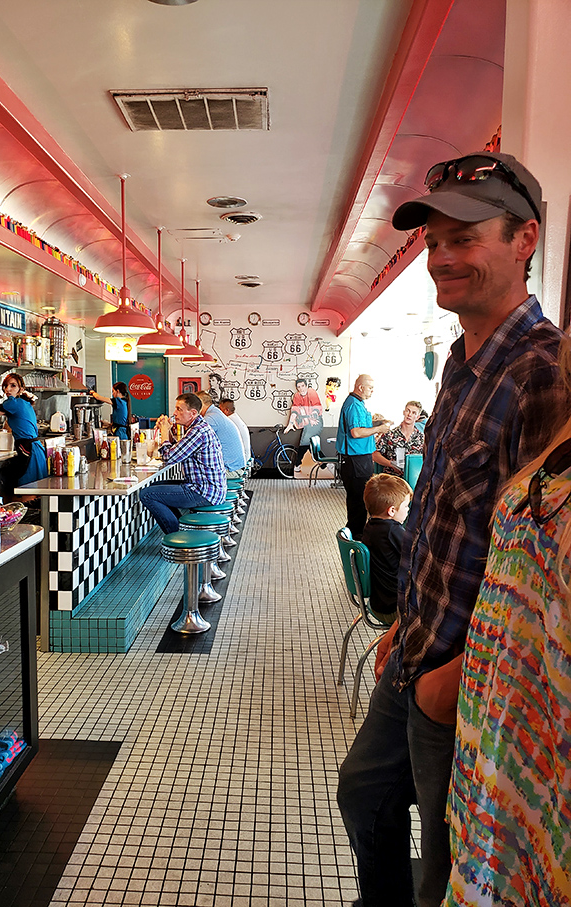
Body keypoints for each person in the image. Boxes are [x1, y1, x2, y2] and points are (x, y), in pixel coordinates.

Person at [336, 151, 570, 907]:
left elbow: (542, 568)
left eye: (465, 237)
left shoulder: (546, 375)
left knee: (450, 866)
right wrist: (403, 621)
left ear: (525, 237)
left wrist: (456, 674)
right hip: (414, 650)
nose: (441, 257)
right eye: (435, 240)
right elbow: (440, 517)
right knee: (362, 792)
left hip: (466, 684)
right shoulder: (461, 368)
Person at [444, 344, 571, 907]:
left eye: (463, 244)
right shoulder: (559, 421)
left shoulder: (532, 373)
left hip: (539, 751)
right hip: (493, 729)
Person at [139, 393, 226, 534]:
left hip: (204, 491)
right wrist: (168, 434)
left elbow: (169, 458)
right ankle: (180, 529)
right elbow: (178, 449)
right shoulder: (197, 427)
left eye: (179, 409)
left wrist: (165, 431)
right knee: (155, 487)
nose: (174, 413)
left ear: (192, 413)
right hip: (206, 487)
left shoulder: (198, 431)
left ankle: (176, 535)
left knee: (147, 494)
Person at [0, 372, 48, 501]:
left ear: (21, 389)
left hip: (27, 451)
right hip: (37, 450)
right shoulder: (25, 403)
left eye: (13, 386)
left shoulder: (11, 403)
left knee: (27, 495)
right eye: (6, 386)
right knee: (36, 495)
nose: (8, 389)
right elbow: (14, 425)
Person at [336, 375, 391, 540]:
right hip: (355, 461)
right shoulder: (353, 405)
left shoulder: (358, 403)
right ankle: (356, 538)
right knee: (358, 502)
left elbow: (361, 426)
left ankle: (357, 534)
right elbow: (356, 432)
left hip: (361, 459)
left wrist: (378, 423)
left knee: (360, 500)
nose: (372, 391)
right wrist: (379, 429)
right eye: (370, 388)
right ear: (360, 387)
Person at [361, 474, 412, 626]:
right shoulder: (393, 531)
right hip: (395, 609)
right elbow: (417, 555)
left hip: (379, 602)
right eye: (405, 506)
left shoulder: (370, 526)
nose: (408, 510)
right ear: (391, 511)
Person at [197, 391, 245, 477]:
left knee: (197, 476)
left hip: (231, 469)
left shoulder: (211, 418)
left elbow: (196, 440)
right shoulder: (215, 413)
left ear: (201, 405)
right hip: (236, 466)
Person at [373, 400, 424, 476]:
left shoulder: (421, 438)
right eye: (408, 411)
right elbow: (374, 455)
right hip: (392, 480)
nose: (409, 414)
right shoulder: (389, 434)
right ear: (404, 412)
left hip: (412, 481)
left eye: (413, 413)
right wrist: (390, 464)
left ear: (417, 417)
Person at [285, 378, 323, 473]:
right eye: (298, 387)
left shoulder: (311, 392)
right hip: (307, 422)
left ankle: (298, 464)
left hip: (315, 421)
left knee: (304, 443)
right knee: (310, 444)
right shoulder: (297, 396)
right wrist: (290, 424)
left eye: (302, 386)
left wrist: (313, 417)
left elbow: (316, 406)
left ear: (306, 386)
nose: (301, 388)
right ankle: (323, 462)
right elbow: (295, 410)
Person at [218, 397, 251, 464]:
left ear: (226, 410)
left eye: (220, 409)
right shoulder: (235, 418)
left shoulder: (228, 421)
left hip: (240, 460)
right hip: (245, 456)